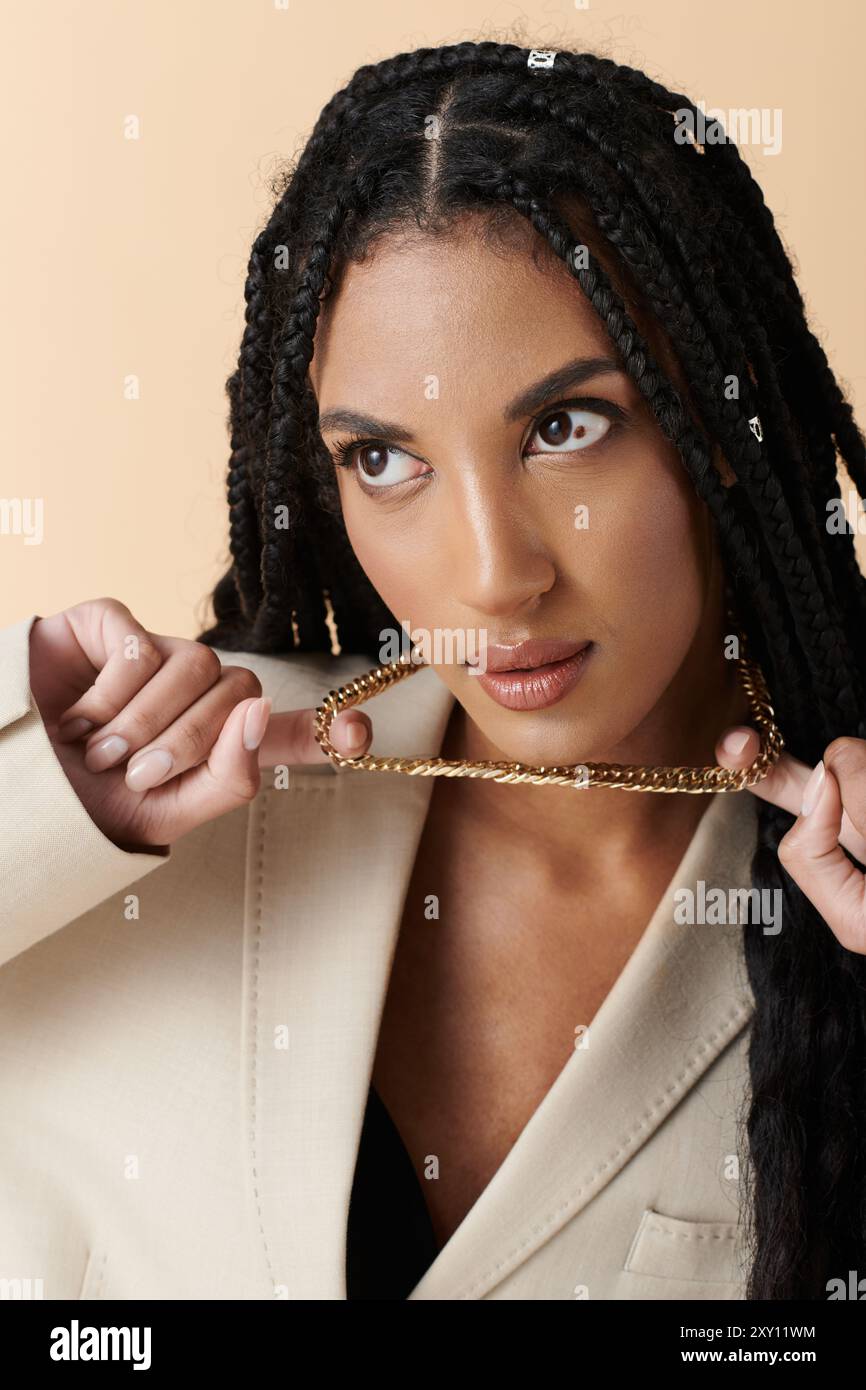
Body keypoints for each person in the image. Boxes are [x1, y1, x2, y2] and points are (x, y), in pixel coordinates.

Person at [2, 39, 865, 1302]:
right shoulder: (152, 811)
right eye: (384, 461)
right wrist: (54, 811)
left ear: (722, 436)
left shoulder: (826, 901)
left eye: (566, 428)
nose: (492, 576)